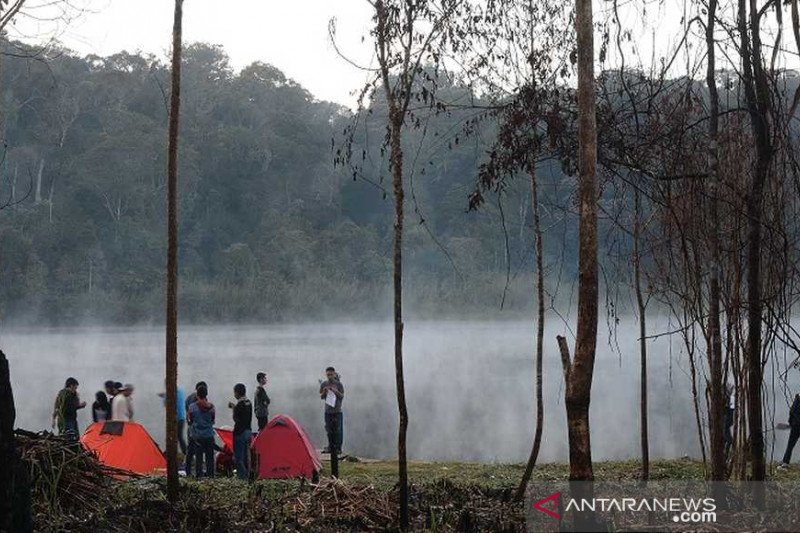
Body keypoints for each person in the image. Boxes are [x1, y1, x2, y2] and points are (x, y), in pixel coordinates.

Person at [188, 384, 215, 477]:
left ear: (197, 395)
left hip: (198, 437)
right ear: (206, 395)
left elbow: (190, 421)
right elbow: (212, 421)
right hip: (209, 435)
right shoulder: (212, 407)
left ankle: (199, 477)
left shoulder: (192, 407)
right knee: (210, 458)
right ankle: (211, 476)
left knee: (199, 459)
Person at [229, 383, 253, 480]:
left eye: (234, 392)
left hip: (240, 433)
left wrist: (233, 409)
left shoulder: (239, 404)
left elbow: (236, 418)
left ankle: (242, 479)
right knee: (246, 457)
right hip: (248, 431)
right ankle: (248, 476)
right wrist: (235, 407)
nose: (234, 394)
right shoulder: (249, 402)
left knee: (238, 458)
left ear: (237, 393)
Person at [319, 367, 344, 454]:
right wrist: (325, 392)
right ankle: (330, 446)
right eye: (328, 374)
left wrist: (335, 391)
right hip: (328, 411)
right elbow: (321, 396)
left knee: (338, 430)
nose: (329, 376)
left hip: (337, 411)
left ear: (334, 374)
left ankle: (338, 448)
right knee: (329, 430)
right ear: (326, 374)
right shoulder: (324, 384)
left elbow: (342, 396)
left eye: (331, 374)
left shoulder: (339, 384)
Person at [185, 381, 207, 476]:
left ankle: (188, 470)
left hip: (191, 428)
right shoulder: (201, 400)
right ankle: (199, 472)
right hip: (198, 429)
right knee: (199, 451)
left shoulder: (188, 398)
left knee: (190, 450)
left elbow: (188, 413)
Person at [158, 383, 187, 454]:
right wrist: (165, 395)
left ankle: (182, 453)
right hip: (182, 417)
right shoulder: (181, 391)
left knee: (173, 436)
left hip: (176, 419)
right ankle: (185, 453)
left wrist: (165, 397)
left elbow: (166, 404)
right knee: (178, 437)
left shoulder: (170, 394)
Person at [778, 393, 800, 469]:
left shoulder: (797, 398)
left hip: (796, 425)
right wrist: (791, 423)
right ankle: (785, 461)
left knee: (790, 444)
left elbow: (793, 412)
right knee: (790, 444)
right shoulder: (797, 397)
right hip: (795, 426)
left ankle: (785, 462)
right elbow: (792, 412)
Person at [724, 382, 735, 456]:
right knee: (729, 441)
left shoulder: (731, 399)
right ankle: (725, 457)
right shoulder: (724, 399)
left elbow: (732, 409)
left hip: (727, 424)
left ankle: (725, 457)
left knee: (726, 441)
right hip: (724, 424)